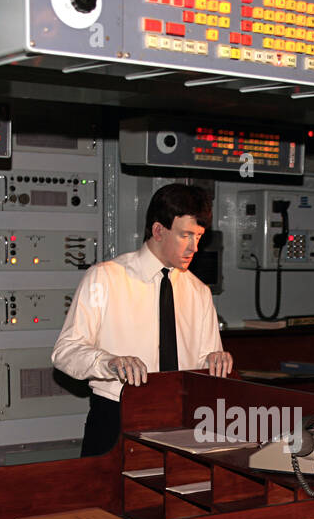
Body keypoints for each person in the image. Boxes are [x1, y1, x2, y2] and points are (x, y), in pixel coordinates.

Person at [52, 183, 233, 456]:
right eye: (186, 236)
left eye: (199, 236)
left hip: (181, 417)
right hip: (117, 416)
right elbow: (65, 352)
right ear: (159, 230)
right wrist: (110, 363)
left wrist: (213, 362)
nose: (194, 247)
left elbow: (204, 358)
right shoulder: (105, 278)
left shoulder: (199, 292)